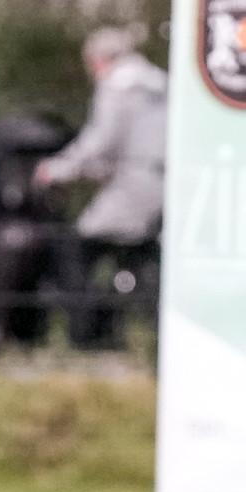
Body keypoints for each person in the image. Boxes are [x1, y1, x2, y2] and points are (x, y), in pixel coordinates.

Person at [35, 23, 168, 350]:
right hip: (166, 186)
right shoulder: (159, 82)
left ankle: (89, 334)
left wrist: (57, 169)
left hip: (136, 187)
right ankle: (151, 335)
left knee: (77, 249)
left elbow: (101, 139)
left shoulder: (118, 85)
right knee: (142, 257)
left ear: (99, 59)